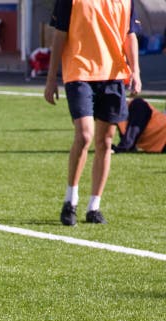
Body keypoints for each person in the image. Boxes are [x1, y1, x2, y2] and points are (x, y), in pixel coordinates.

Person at [45, 0, 140, 225]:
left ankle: (94, 207)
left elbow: (129, 34)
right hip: (79, 72)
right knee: (85, 135)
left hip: (114, 74)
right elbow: (60, 35)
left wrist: (135, 70)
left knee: (105, 141)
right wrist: (51, 79)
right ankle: (71, 201)